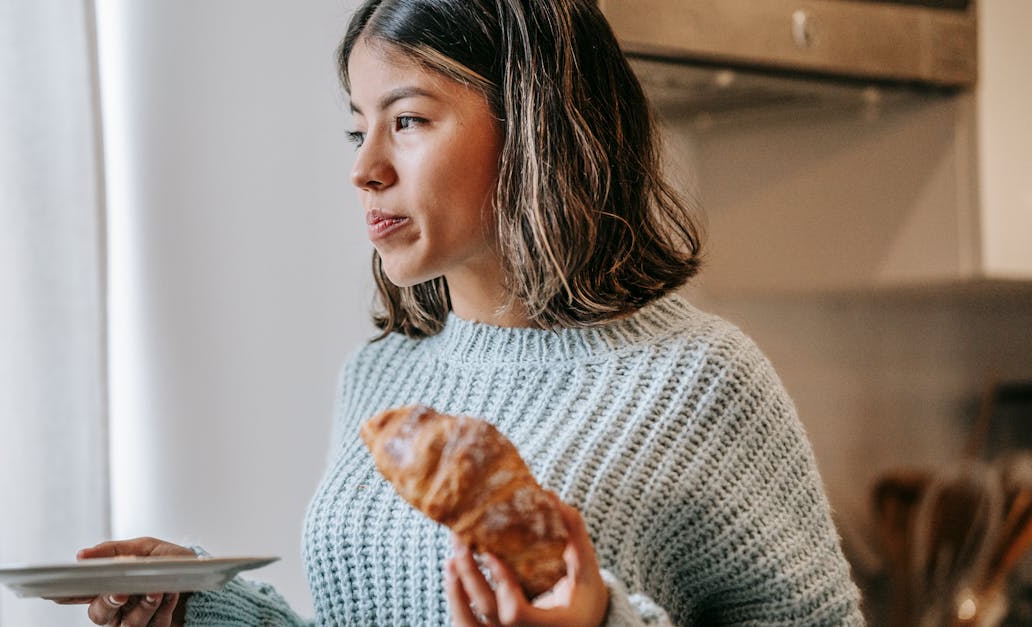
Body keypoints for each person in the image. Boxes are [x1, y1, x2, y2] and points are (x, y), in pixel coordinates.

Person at [65, 0, 865, 625]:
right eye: (358, 126)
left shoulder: (700, 380)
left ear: (535, 123)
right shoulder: (380, 379)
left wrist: (600, 621)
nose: (364, 167)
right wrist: (198, 606)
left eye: (406, 120)